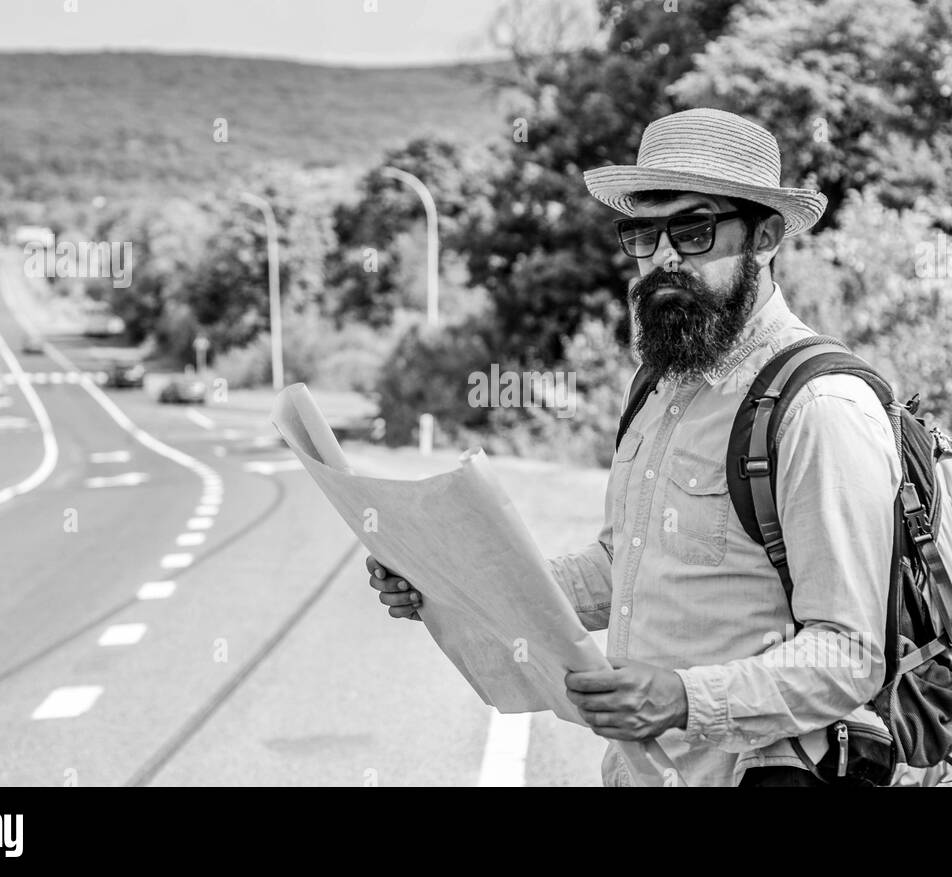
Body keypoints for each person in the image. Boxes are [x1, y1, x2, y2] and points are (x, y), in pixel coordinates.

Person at [367, 108, 900, 787]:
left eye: (695, 229)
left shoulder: (821, 408)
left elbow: (849, 654)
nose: (664, 258)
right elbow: (627, 566)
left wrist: (683, 698)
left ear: (765, 236)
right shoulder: (661, 384)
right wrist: (448, 582)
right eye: (644, 234)